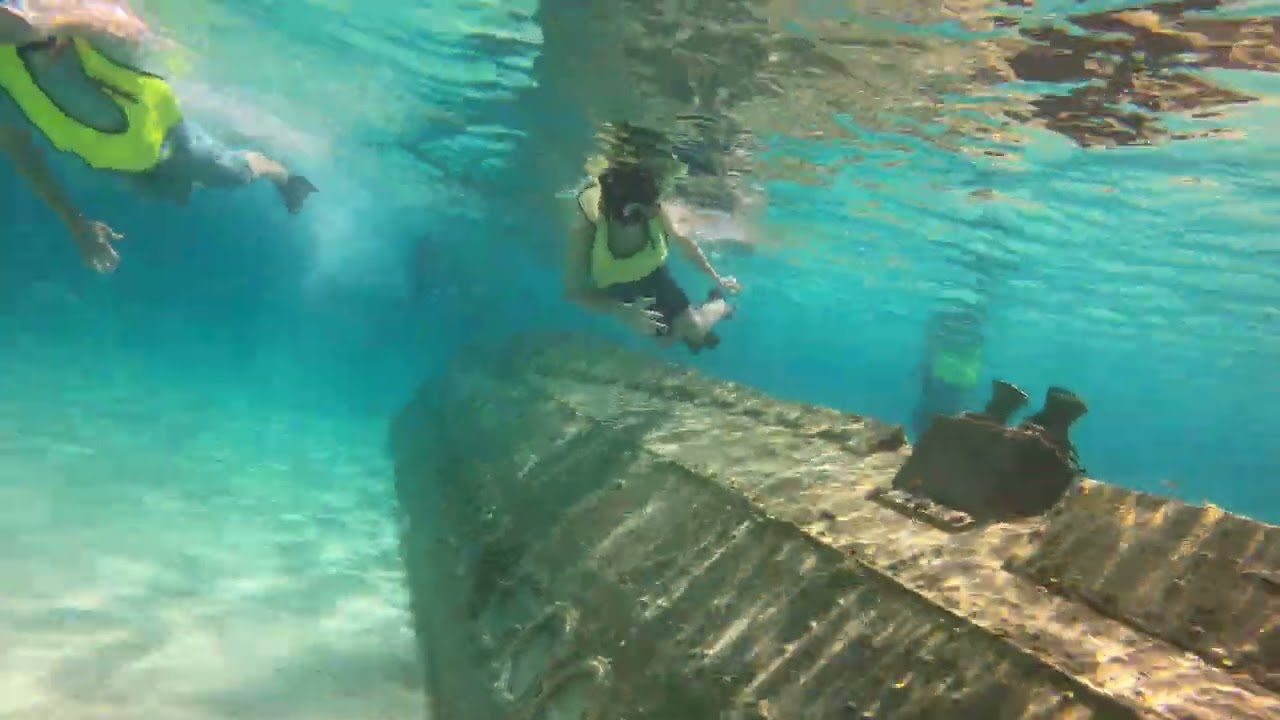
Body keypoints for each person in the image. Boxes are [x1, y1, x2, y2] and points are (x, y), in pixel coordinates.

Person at [0, 1, 317, 273]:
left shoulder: (58, 19)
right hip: (115, 159)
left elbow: (133, 31)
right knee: (172, 195)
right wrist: (76, 223)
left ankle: (282, 175)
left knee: (230, 173)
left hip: (167, 139)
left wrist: (44, 26)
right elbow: (19, 149)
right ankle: (205, 155)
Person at [564, 160, 740, 353]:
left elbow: (684, 244)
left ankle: (720, 304)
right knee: (666, 341)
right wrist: (618, 310)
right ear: (632, 210)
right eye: (652, 208)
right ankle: (698, 332)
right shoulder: (587, 227)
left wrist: (717, 278)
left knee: (693, 328)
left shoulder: (652, 207)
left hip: (656, 278)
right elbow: (575, 292)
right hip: (620, 292)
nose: (658, 210)